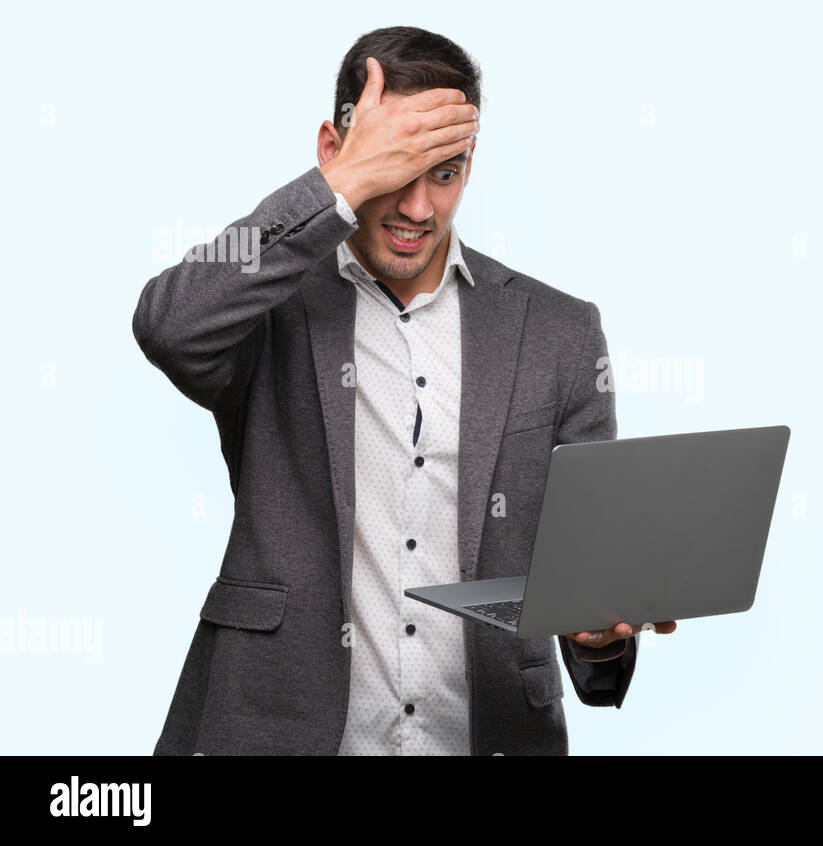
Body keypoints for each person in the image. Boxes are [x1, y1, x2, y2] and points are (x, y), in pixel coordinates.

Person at [132, 26, 675, 755]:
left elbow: (586, 583)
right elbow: (170, 325)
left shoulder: (560, 332)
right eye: (396, 170)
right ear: (335, 150)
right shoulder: (267, 309)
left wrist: (599, 628)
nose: (419, 208)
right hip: (276, 729)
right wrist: (338, 191)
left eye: (445, 173)